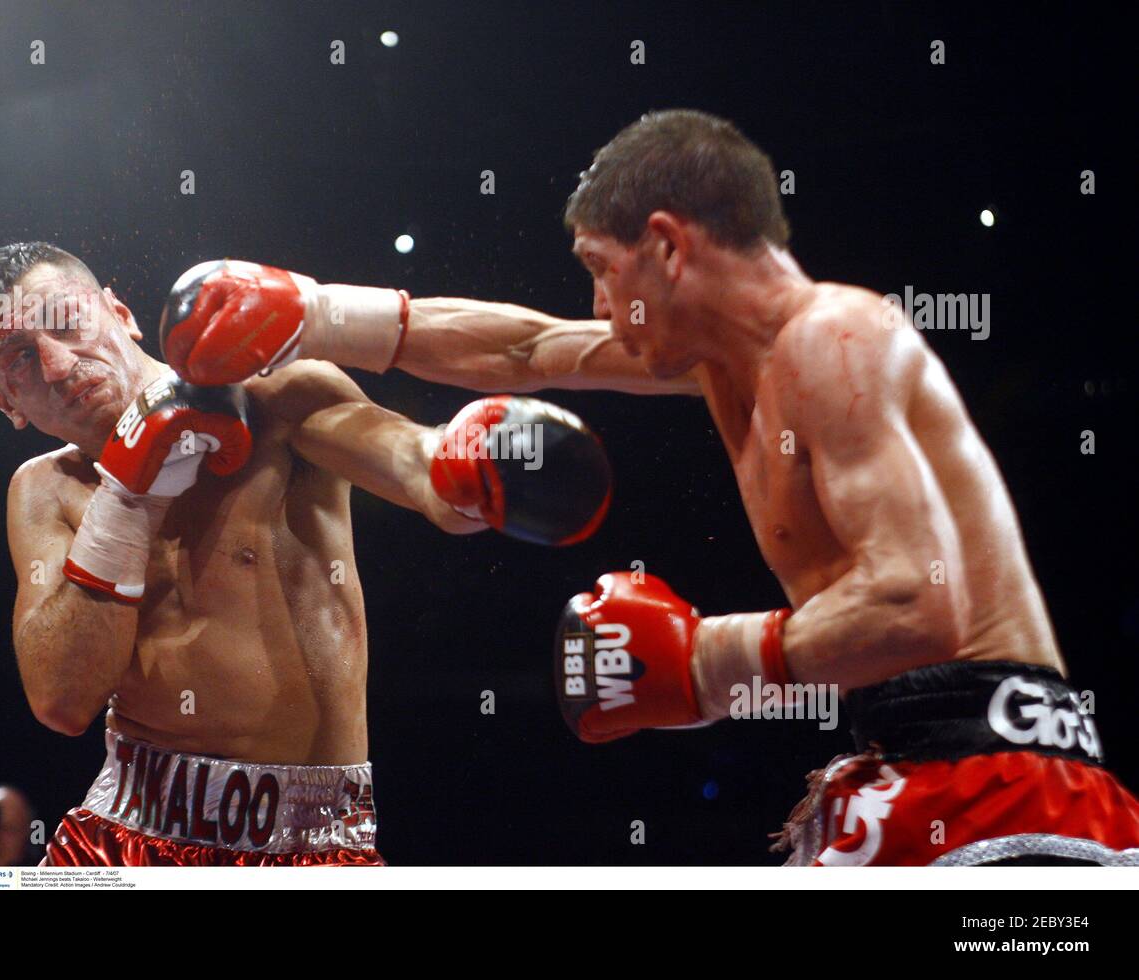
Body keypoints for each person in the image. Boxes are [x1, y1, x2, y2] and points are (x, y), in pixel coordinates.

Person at [197, 110, 1139, 866]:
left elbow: (913, 602)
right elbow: (529, 348)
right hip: (924, 767)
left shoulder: (833, 341)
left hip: (1004, 786)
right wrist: (321, 312)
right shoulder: (728, 364)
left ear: (668, 247)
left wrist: (703, 662)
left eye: (603, 274)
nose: (600, 307)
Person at [0, 243, 610, 866]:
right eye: (20, 358)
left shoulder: (273, 394)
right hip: (126, 835)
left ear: (120, 312)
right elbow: (63, 701)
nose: (57, 366)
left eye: (66, 323)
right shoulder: (44, 490)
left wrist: (467, 465)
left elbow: (412, 462)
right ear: (6, 404)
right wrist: (128, 493)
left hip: (313, 842)